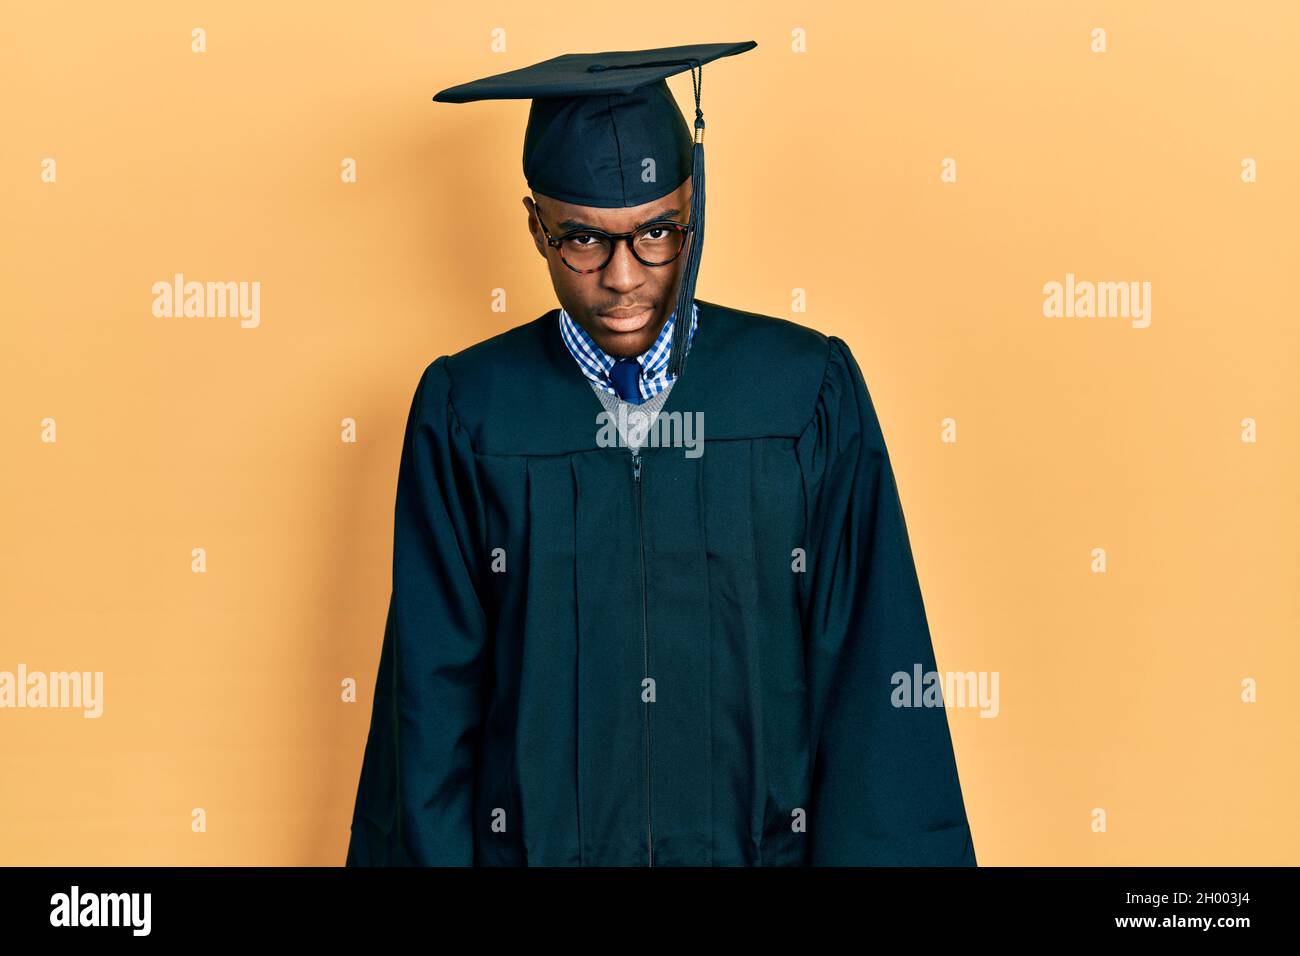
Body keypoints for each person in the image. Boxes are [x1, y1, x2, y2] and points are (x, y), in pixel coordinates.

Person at [346, 41, 977, 866]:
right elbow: (430, 709)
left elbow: (872, 668)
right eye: (583, 240)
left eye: (657, 234)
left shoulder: (803, 393)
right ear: (535, 226)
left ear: (694, 212)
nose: (622, 276)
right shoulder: (471, 413)